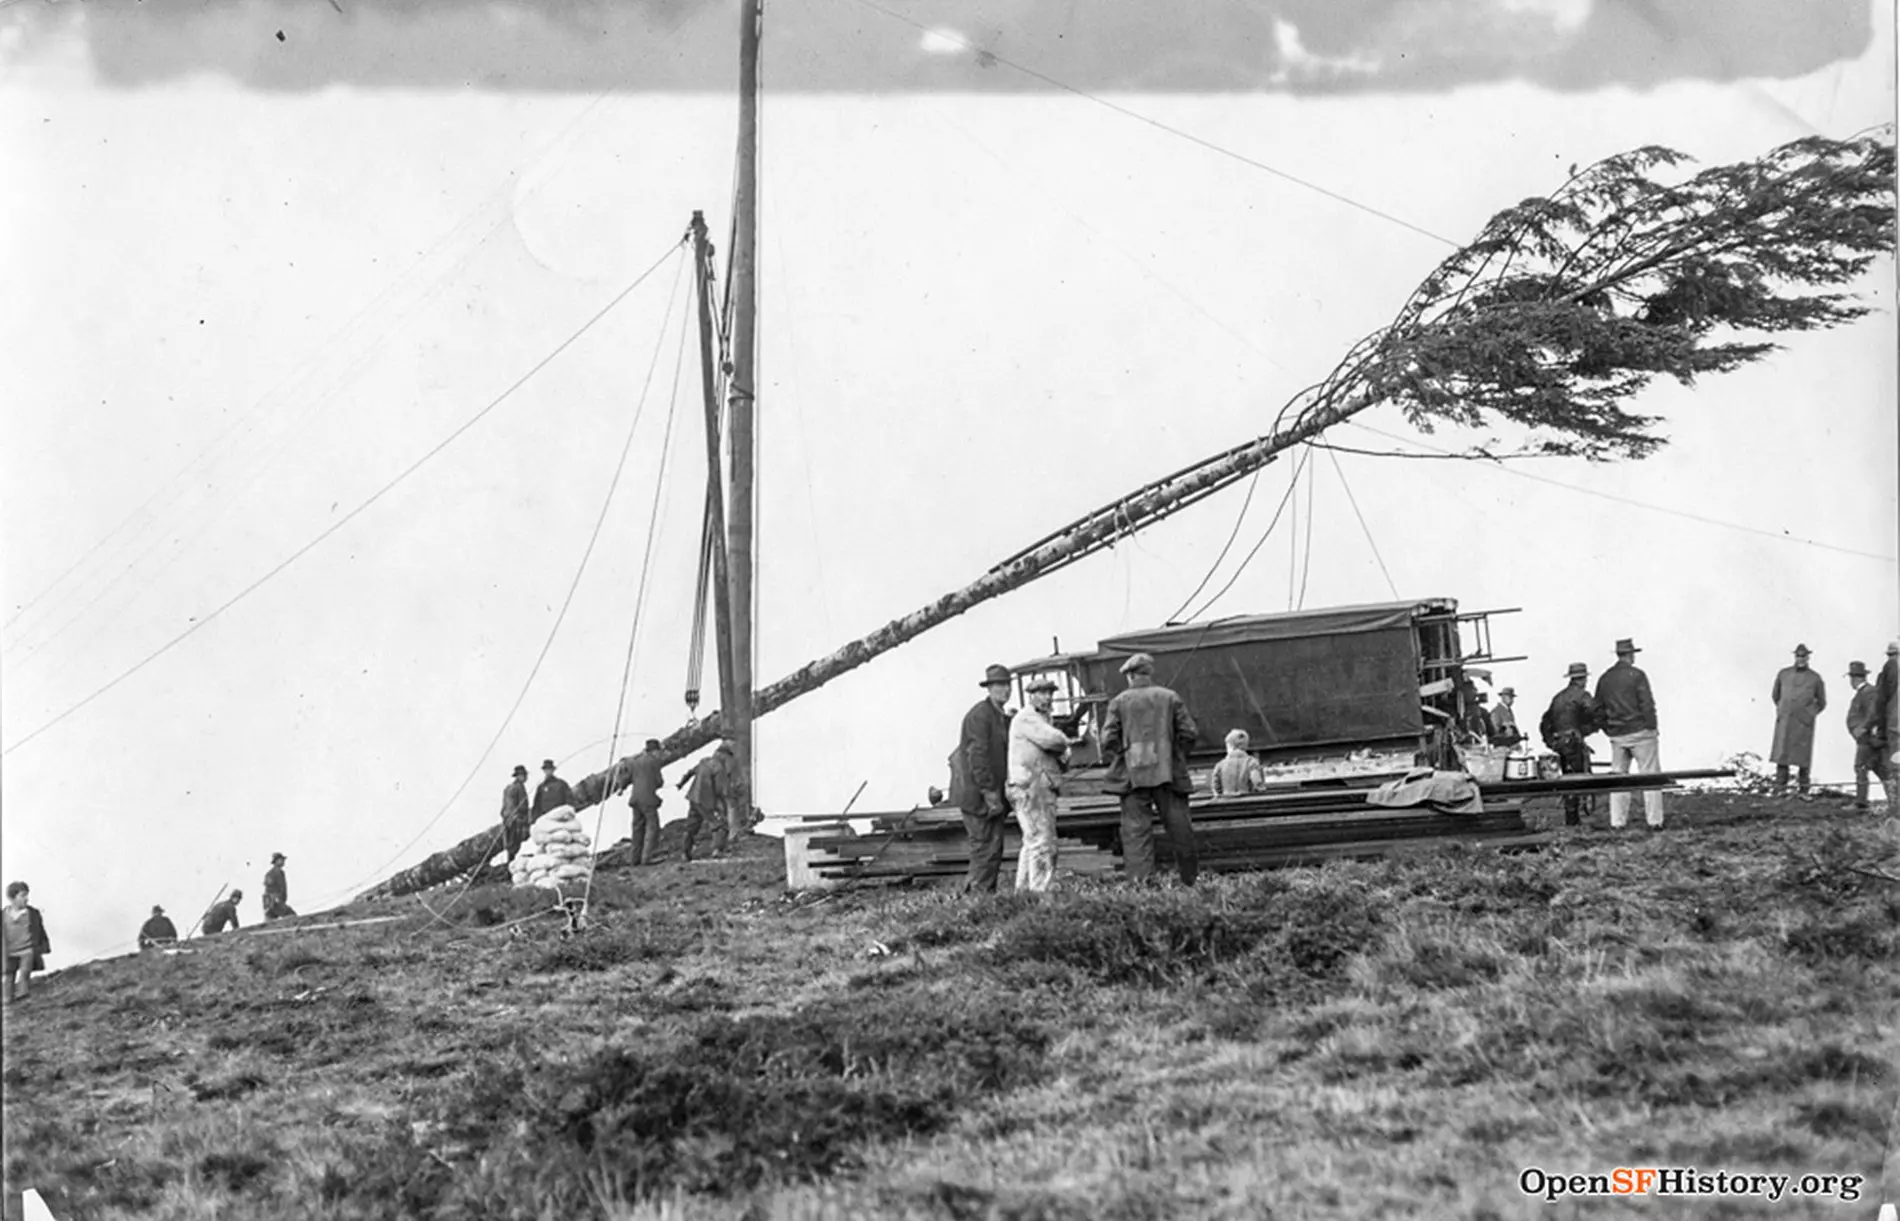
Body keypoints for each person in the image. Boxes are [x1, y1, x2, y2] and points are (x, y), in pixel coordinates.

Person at [1101, 652, 1200, 885]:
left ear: (1130, 676)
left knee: (1136, 834)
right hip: (1169, 775)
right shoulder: (1170, 697)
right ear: (1148, 674)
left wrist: (1124, 756)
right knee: (1180, 828)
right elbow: (1190, 733)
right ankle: (1190, 882)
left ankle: (1141, 886)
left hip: (1132, 779)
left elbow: (1107, 740)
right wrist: (1175, 756)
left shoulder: (1119, 702)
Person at [1006, 676, 1073, 892]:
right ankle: (1040, 893)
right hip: (1031, 788)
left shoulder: (1042, 719)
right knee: (1042, 842)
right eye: (1042, 693)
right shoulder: (1028, 718)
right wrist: (1065, 743)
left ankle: (1024, 892)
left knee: (1032, 841)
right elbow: (1054, 740)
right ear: (1031, 696)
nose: (1047, 698)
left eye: (1050, 693)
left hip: (1033, 786)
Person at [958, 663, 1015, 893]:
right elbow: (977, 758)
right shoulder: (980, 715)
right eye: (999, 685)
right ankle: (976, 899)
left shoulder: (999, 716)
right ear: (989, 688)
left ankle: (982, 896)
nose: (1006, 690)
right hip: (978, 796)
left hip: (991, 796)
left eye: (1007, 684)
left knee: (993, 848)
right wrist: (990, 793)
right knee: (983, 847)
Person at [1595, 638, 1663, 830]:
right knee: (1650, 776)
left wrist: (1608, 729)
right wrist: (1652, 727)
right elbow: (1647, 704)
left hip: (1617, 736)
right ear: (1630, 655)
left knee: (1618, 779)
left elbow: (1597, 708)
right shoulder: (1638, 675)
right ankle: (1654, 822)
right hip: (1641, 733)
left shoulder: (1605, 678)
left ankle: (1617, 823)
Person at [1540, 663, 1601, 826]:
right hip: (1573, 743)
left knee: (1566, 777)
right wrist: (1586, 730)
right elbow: (1597, 714)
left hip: (1559, 744)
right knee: (1577, 778)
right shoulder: (1583, 696)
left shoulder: (1558, 698)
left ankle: (1571, 816)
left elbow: (1545, 722)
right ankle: (1574, 818)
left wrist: (1551, 742)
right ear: (1583, 679)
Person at [1769, 644, 1827, 797]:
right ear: (1795, 657)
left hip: (1804, 724)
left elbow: (1821, 702)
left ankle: (1804, 790)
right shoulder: (1783, 674)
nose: (1801, 659)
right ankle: (1780, 788)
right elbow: (1776, 696)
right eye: (1798, 656)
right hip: (1786, 721)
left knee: (1803, 758)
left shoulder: (1815, 678)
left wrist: (1808, 714)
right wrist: (1784, 709)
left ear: (1808, 657)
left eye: (1804, 656)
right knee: (1782, 754)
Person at [1844, 660, 1890, 810]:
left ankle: (1860, 802)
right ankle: (1895, 799)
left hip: (1868, 739)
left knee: (1861, 767)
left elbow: (1873, 713)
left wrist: (1863, 728)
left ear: (1855, 678)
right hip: (1867, 739)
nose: (1851, 681)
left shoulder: (1869, 692)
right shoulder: (1864, 693)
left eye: (1852, 677)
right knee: (1879, 768)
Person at [676, 741, 733, 861]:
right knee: (721, 825)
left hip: (693, 798)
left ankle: (685, 853)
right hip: (706, 801)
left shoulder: (704, 762)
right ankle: (717, 850)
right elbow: (720, 789)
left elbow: (690, 772)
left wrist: (681, 783)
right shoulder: (719, 767)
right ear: (724, 755)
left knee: (691, 827)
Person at [4, 882, 50, 1003]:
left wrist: (43, 946)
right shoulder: (3, 915)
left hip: (27, 950)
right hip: (9, 952)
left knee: (24, 973)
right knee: (8, 975)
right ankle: (7, 999)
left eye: (26, 895)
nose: (26, 899)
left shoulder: (33, 914)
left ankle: (23, 998)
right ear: (12, 898)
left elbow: (40, 931)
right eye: (22, 895)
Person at [624, 739, 666, 865]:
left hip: (635, 799)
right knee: (653, 827)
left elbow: (627, 778)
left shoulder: (634, 762)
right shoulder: (654, 762)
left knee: (637, 829)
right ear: (655, 751)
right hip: (647, 800)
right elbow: (659, 781)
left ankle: (634, 858)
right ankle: (647, 857)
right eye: (659, 751)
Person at [1212, 728, 1265, 796]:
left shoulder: (1220, 765)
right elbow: (1257, 783)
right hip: (1247, 802)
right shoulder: (1251, 763)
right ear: (1245, 746)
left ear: (1230, 746)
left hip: (1226, 802)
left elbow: (1216, 787)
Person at [499, 764, 532, 864]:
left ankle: (509, 862)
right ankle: (510, 864)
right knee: (514, 843)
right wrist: (521, 817)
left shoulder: (508, 788)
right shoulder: (519, 787)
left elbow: (504, 807)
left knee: (510, 844)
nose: (525, 778)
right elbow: (521, 805)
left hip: (507, 819)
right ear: (519, 776)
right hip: (516, 819)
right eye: (523, 775)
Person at [262, 852, 296, 920]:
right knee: (291, 916)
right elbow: (269, 888)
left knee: (271, 924)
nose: (283, 861)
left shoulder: (277, 873)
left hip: (273, 902)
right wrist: (275, 899)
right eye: (281, 860)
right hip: (275, 902)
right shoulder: (273, 873)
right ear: (276, 861)